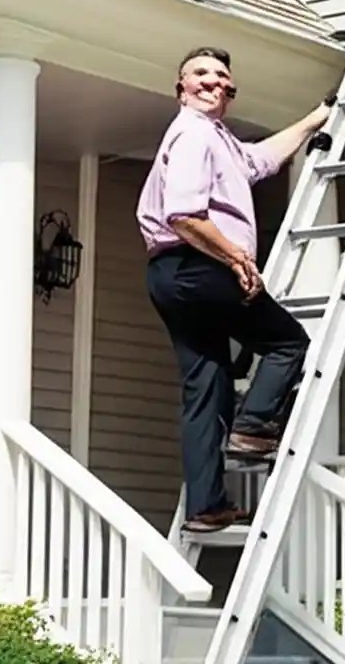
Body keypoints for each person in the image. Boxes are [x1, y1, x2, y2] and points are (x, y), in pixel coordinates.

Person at [138, 46, 332, 533]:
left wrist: (317, 118)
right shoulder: (191, 134)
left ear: (230, 90)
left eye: (221, 76)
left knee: (207, 384)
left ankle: (206, 506)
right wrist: (236, 258)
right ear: (181, 87)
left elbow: (262, 159)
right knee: (288, 342)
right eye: (199, 74)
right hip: (200, 265)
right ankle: (253, 426)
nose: (211, 81)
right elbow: (182, 215)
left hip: (171, 274)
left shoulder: (218, 139)